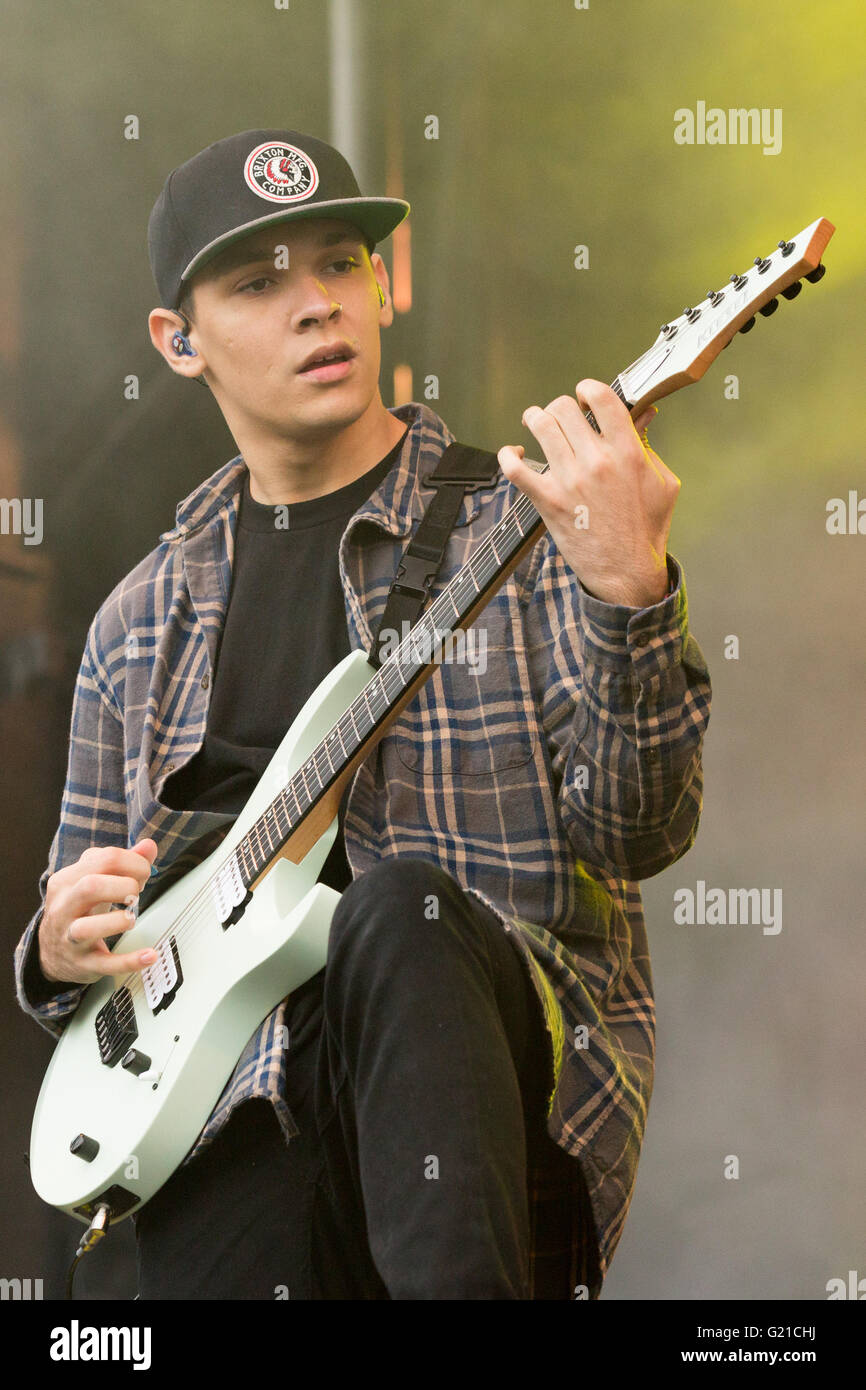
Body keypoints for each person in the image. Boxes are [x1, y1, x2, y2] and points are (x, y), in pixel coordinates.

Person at [13, 128, 712, 1300]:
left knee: (399, 906)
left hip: (469, 1081)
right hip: (220, 1105)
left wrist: (629, 591)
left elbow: (640, 828)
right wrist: (53, 943)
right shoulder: (137, 620)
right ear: (176, 342)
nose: (315, 307)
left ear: (382, 286)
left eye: (339, 264)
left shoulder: (526, 521)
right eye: (257, 282)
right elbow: (79, 947)